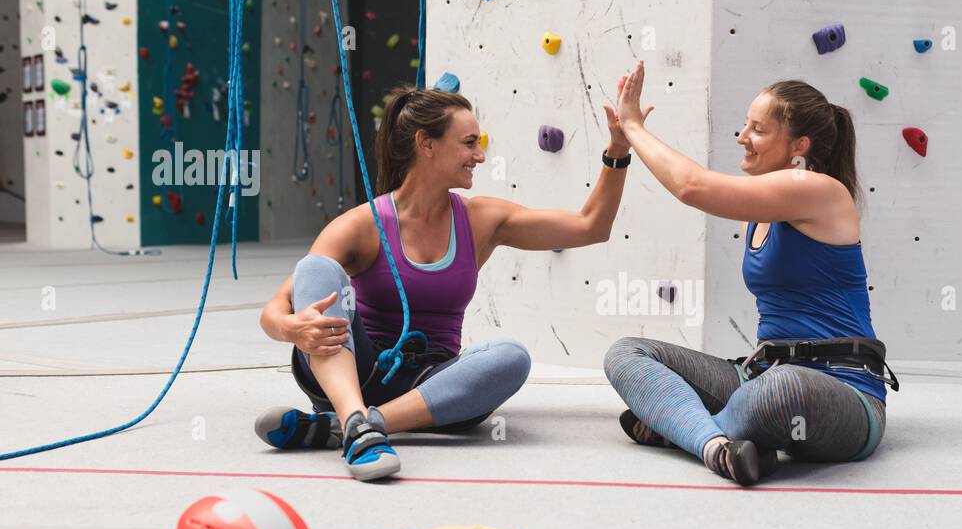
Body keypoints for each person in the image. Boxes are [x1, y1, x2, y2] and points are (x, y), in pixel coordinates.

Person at [256, 81, 645, 480]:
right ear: (427, 144)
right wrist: (291, 328)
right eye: (469, 143)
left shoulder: (481, 221)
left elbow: (590, 227)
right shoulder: (363, 224)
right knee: (315, 269)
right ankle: (353, 414)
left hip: (432, 388)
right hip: (355, 371)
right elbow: (276, 308)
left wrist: (618, 150)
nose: (479, 155)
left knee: (510, 357)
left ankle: (352, 427)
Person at [603, 62, 894, 486]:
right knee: (626, 353)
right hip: (756, 375)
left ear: (799, 145)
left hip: (841, 393)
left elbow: (692, 188)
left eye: (758, 129)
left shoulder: (820, 190)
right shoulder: (760, 213)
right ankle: (717, 446)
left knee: (783, 389)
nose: (742, 137)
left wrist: (632, 126)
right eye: (744, 125)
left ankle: (680, 425)